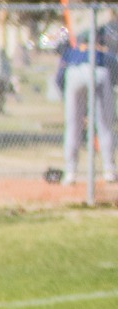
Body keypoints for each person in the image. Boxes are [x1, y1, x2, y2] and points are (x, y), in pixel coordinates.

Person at [59, 22, 117, 186]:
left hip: (74, 73)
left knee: (73, 126)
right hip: (99, 72)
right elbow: (115, 74)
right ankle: (109, 170)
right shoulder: (105, 53)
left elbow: (60, 77)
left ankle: (70, 172)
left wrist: (65, 96)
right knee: (105, 125)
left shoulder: (72, 52)